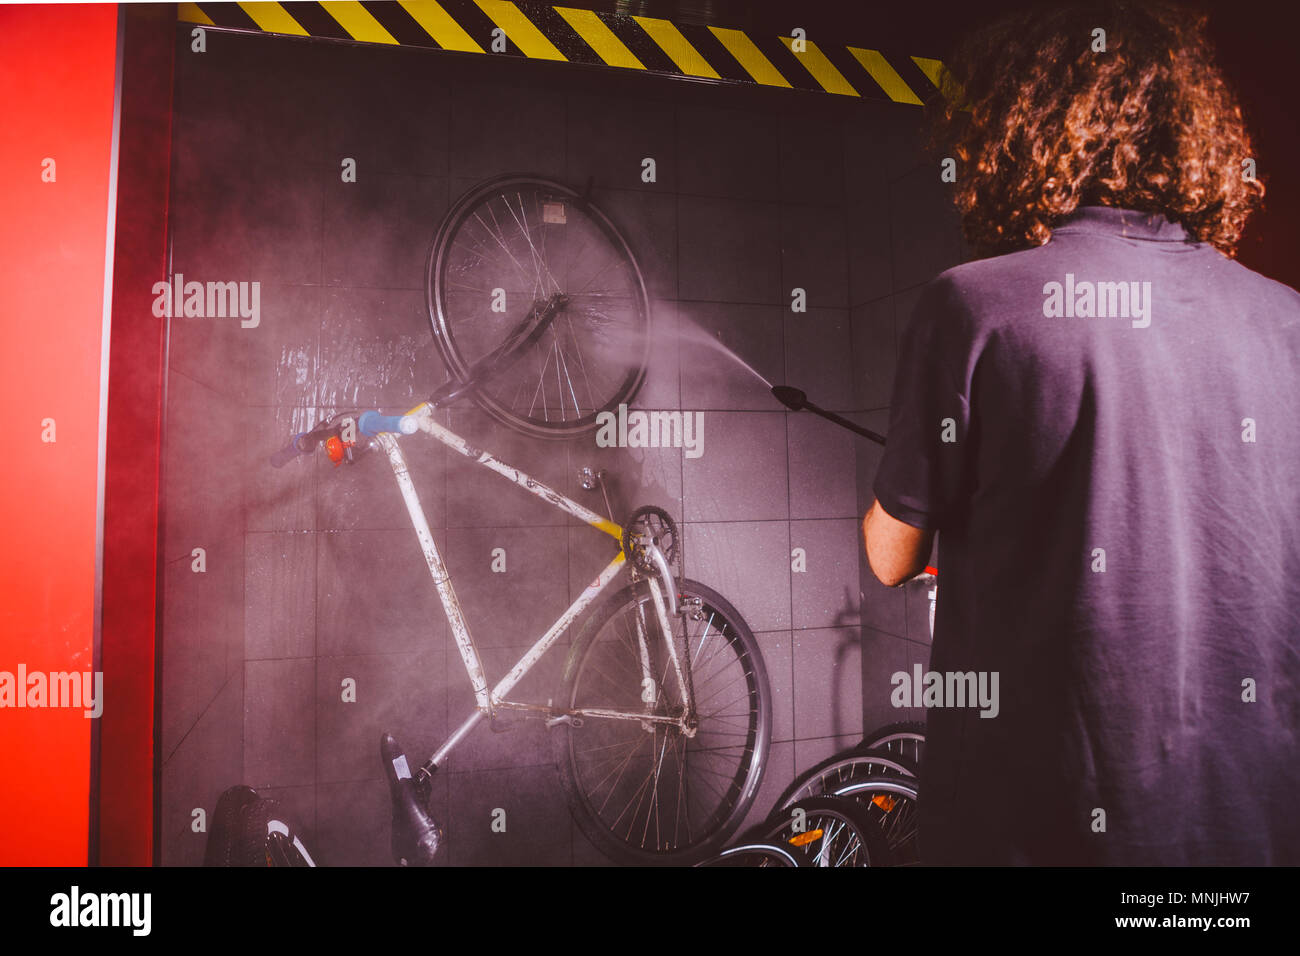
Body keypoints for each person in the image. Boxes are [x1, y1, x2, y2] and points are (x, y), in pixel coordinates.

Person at [863, 0, 1300, 865]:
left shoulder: (975, 304)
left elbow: (890, 556)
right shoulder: (1286, 319)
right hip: (1247, 830)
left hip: (1043, 824)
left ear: (1024, 125)